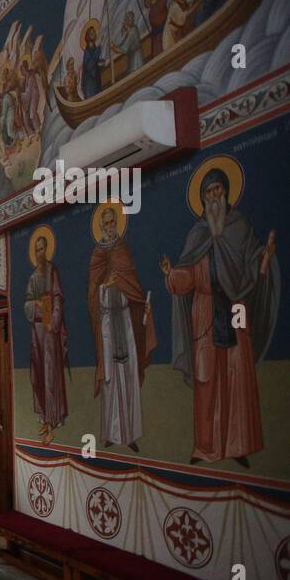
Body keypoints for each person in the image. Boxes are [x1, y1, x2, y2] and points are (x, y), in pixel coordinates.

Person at [163, 165, 278, 466]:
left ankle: (237, 446)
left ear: (227, 194)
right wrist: (172, 276)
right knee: (207, 383)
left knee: (236, 380)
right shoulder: (198, 234)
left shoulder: (240, 226)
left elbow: (252, 266)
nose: (214, 197)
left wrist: (264, 259)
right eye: (209, 193)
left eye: (218, 191)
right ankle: (205, 447)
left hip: (236, 310)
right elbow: (187, 275)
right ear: (202, 199)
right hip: (206, 314)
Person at [88, 205, 155, 452]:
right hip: (107, 325)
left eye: (111, 222)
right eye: (105, 224)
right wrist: (106, 286)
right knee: (111, 383)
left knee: (127, 380)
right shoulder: (97, 255)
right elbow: (93, 295)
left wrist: (142, 308)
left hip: (126, 323)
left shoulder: (124, 251)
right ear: (101, 227)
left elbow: (133, 287)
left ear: (116, 222)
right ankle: (110, 433)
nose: (109, 227)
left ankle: (129, 435)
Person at [24, 231, 68, 444]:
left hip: (49, 331)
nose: (39, 253)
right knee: (38, 375)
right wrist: (37, 305)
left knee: (50, 375)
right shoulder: (33, 277)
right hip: (37, 332)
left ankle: (52, 421)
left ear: (46, 250)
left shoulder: (52, 272)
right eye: (36, 250)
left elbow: (58, 298)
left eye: (42, 249)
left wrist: (54, 321)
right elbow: (26, 304)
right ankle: (43, 416)